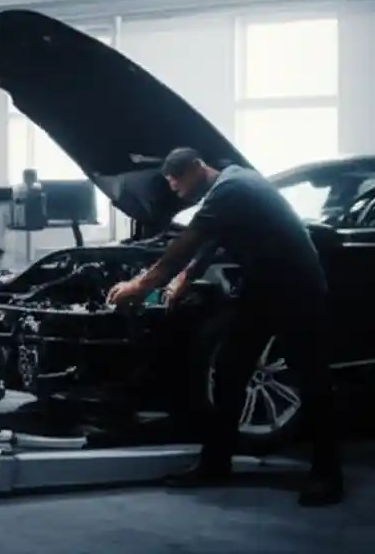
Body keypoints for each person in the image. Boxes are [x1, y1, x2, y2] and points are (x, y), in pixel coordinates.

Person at [106, 147, 345, 507]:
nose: (175, 192)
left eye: (177, 183)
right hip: (264, 286)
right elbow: (212, 239)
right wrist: (184, 280)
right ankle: (216, 463)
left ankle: (328, 476)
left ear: (196, 169)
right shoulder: (230, 185)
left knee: (312, 378)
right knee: (230, 370)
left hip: (297, 286)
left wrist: (141, 285)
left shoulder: (232, 188)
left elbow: (188, 243)